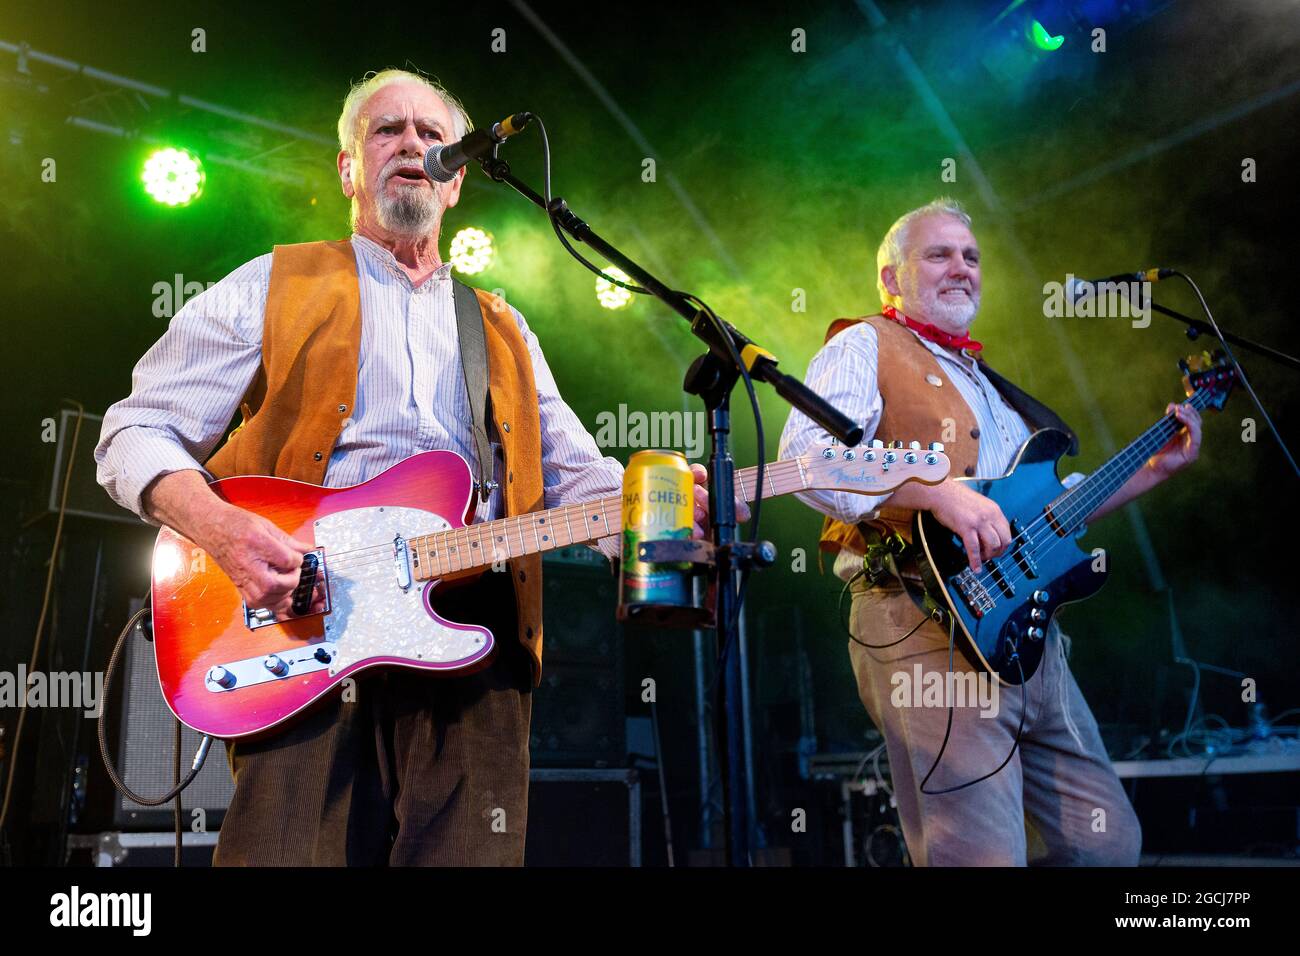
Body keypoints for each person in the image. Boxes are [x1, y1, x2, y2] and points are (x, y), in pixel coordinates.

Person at [95, 69, 722, 866]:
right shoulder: (273, 283)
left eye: (432, 135)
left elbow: (573, 478)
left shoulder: (501, 326)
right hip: (304, 622)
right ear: (349, 168)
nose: (412, 145)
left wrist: (656, 510)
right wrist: (222, 530)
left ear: (458, 178)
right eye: (387, 131)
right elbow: (133, 431)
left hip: (477, 637)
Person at [778, 198, 1201, 866]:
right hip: (922, 617)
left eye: (971, 256)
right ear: (891, 279)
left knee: (1107, 842)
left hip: (1028, 632)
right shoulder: (861, 343)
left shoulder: (994, 392)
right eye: (938, 254)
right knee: (979, 856)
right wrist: (937, 492)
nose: (961, 268)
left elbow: (1050, 511)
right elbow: (809, 463)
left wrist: (1155, 469)